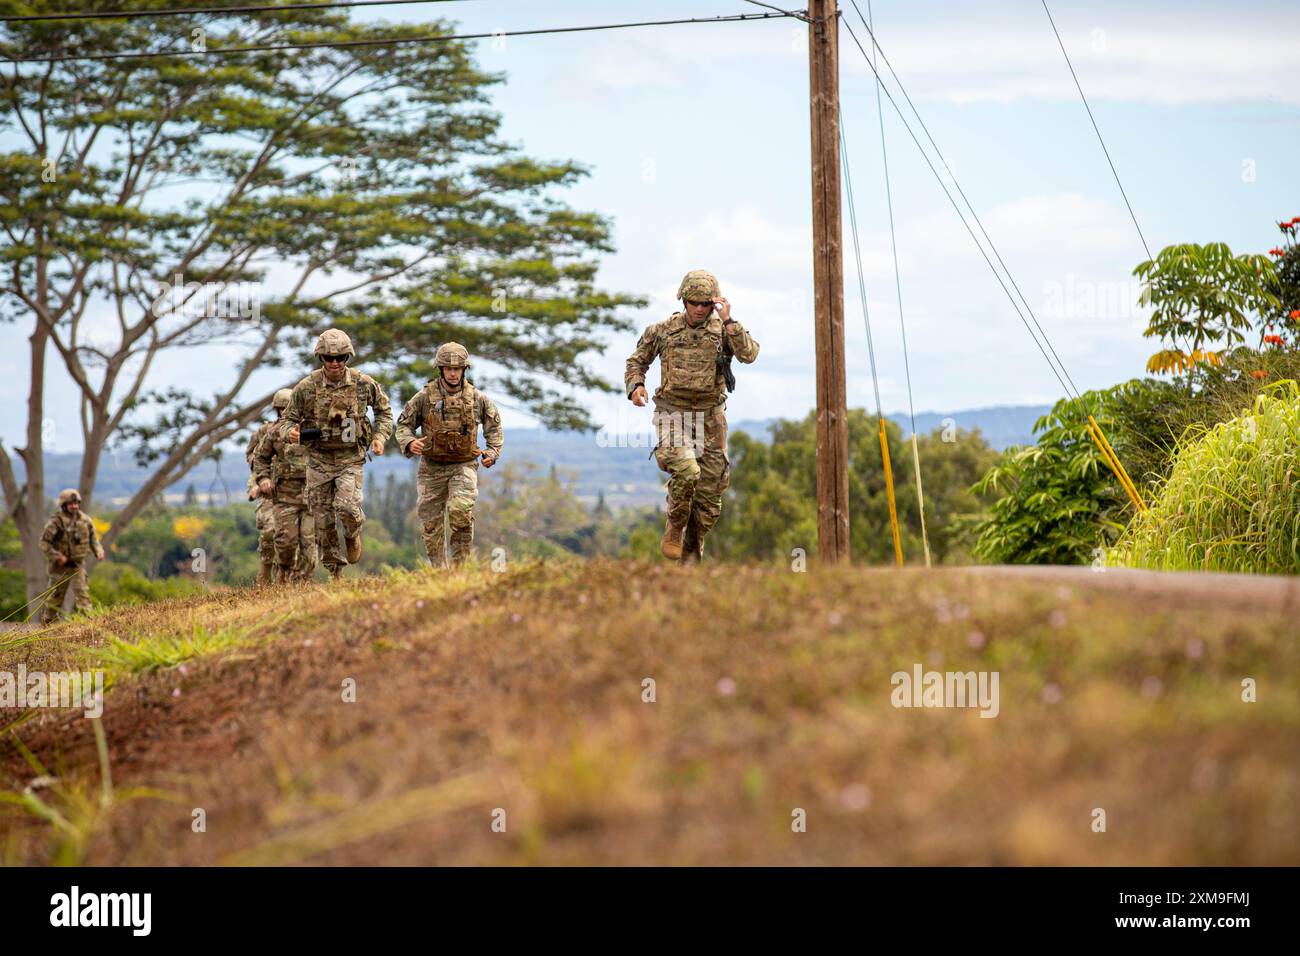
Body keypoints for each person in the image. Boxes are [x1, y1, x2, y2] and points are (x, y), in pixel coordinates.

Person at [624, 269, 759, 561]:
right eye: (694, 302)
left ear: (715, 303)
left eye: (706, 304)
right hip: (673, 414)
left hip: (711, 419)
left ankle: (691, 554)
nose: (699, 309)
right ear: (683, 300)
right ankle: (675, 524)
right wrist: (636, 387)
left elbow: (749, 354)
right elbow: (637, 362)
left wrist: (729, 319)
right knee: (687, 470)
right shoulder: (662, 330)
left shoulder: (724, 330)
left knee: (710, 500)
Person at [280, 329, 393, 579]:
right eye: (328, 358)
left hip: (350, 459)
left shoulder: (363, 383)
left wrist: (379, 437)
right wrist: (291, 433)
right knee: (322, 521)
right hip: (318, 460)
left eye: (340, 358)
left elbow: (384, 411)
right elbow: (287, 419)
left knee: (347, 507)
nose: (334, 363)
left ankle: (353, 533)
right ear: (320, 358)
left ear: (347, 358)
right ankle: (335, 573)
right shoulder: (306, 387)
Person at [394, 342, 502, 567]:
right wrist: (410, 442)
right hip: (431, 468)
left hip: (464, 465)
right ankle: (439, 571)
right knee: (430, 524)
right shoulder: (424, 397)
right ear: (440, 369)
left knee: (460, 510)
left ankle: (461, 567)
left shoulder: (477, 399)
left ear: (464, 369)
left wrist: (492, 452)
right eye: (448, 368)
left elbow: (494, 427)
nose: (453, 373)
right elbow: (403, 425)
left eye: (457, 368)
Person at [253, 387, 315, 582]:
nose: (285, 412)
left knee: (309, 546)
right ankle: (284, 572)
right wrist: (263, 479)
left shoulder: (314, 430)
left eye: (288, 408)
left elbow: (331, 455)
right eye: (281, 409)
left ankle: (300, 586)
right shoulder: (273, 433)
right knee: (286, 542)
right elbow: (260, 458)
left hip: (312, 497)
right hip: (285, 497)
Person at [38, 489, 104, 624]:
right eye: (71, 504)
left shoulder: (85, 520)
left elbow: (93, 538)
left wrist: (98, 550)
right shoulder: (56, 522)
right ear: (64, 505)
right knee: (55, 600)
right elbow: (44, 543)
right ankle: (46, 627)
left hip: (77, 565)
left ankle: (90, 626)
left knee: (83, 596)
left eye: (76, 503)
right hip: (60, 568)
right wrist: (57, 556)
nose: (74, 506)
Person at [245, 404, 280, 585]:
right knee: (270, 532)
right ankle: (265, 577)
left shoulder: (303, 430)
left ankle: (292, 580)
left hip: (296, 491)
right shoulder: (265, 432)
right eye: (280, 409)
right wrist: (259, 484)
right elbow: (254, 460)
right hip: (268, 494)